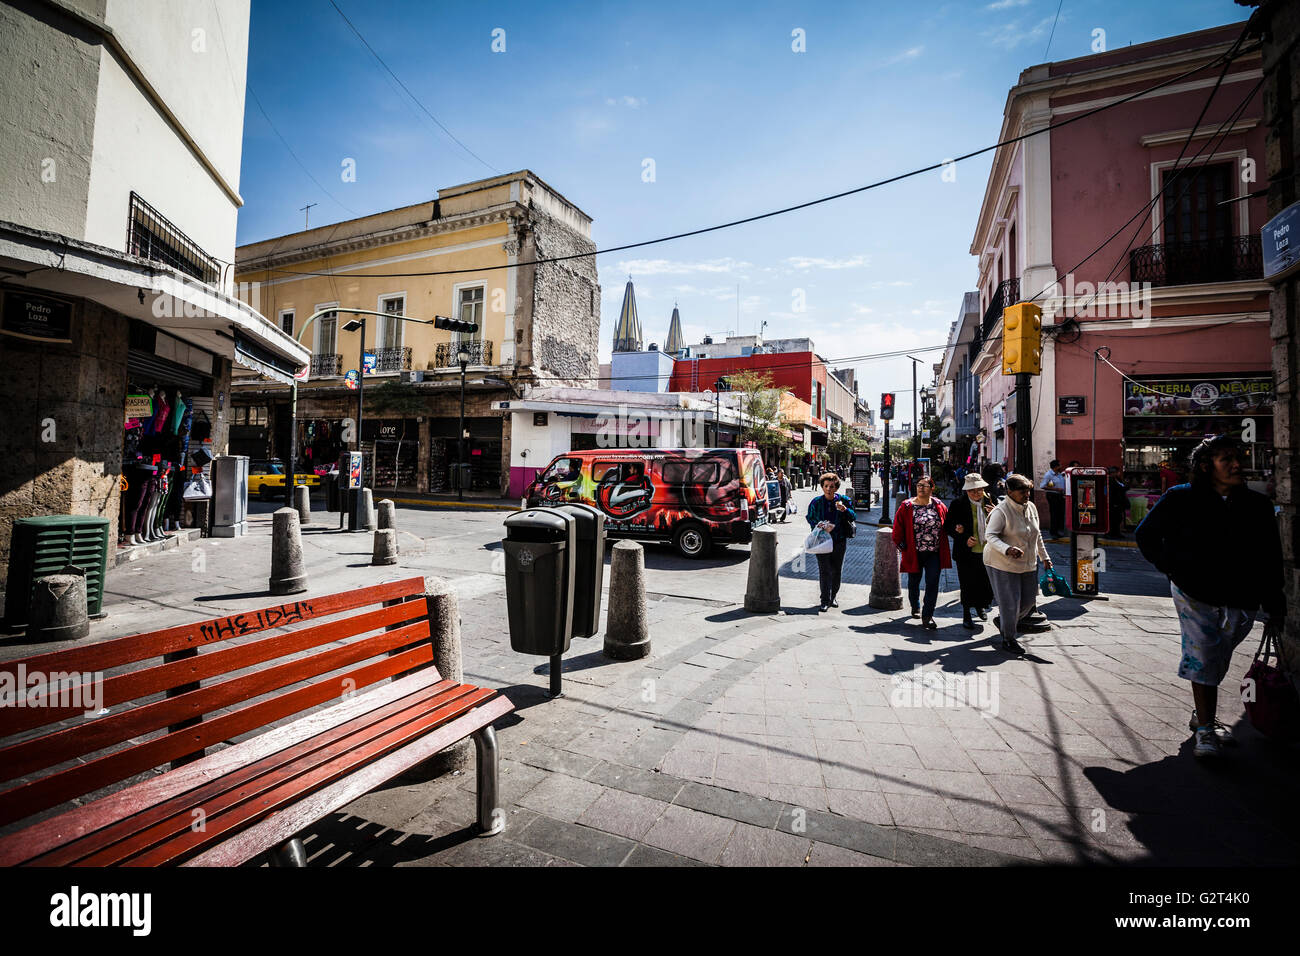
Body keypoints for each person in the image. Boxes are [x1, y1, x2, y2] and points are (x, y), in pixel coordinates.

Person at [1134, 435, 1285, 759]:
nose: (1235, 464)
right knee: (1202, 657)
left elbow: (1270, 557)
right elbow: (1145, 534)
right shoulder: (1180, 498)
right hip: (1194, 593)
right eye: (1225, 459)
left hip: (1242, 599)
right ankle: (1205, 730)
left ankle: (1202, 711)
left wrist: (1275, 605)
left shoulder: (1256, 506)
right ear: (1206, 466)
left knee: (1215, 658)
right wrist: (1171, 568)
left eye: (1237, 457)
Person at [983, 473, 1052, 655]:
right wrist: (1007, 549)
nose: (1026, 495)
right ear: (1010, 492)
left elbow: (1037, 535)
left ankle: (1006, 620)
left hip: (1028, 563)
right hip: (1002, 563)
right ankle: (1008, 638)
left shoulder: (1031, 508)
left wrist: (1044, 557)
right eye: (1022, 492)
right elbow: (990, 536)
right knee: (1010, 603)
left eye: (1028, 491)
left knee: (1029, 601)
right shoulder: (1001, 511)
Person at [891, 474, 951, 630]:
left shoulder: (939, 505)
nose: (921, 488)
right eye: (919, 485)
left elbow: (948, 524)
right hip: (914, 552)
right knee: (914, 582)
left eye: (925, 485)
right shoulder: (906, 506)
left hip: (934, 552)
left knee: (932, 583)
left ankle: (927, 615)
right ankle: (915, 605)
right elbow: (897, 528)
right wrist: (901, 544)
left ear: (932, 488)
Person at [943, 473, 995, 629]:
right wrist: (963, 537)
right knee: (967, 584)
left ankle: (980, 607)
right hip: (966, 553)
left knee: (984, 582)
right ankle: (966, 613)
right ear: (966, 491)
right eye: (972, 490)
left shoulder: (990, 501)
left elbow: (1001, 523)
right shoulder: (958, 504)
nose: (976, 493)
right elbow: (948, 527)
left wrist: (995, 513)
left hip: (987, 552)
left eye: (979, 489)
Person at [806, 472, 855, 611]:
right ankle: (824, 600)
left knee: (836, 570)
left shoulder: (844, 500)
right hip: (821, 541)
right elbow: (810, 517)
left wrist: (845, 510)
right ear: (822, 486)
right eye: (826, 486)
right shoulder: (816, 502)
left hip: (839, 540)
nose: (829, 489)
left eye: (832, 486)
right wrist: (819, 525)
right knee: (824, 570)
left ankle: (833, 596)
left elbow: (853, 516)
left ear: (836, 487)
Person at [1039, 459, 1067, 538]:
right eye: (1059, 465)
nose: (1061, 466)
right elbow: (1042, 486)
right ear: (1056, 467)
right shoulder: (1049, 475)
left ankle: (1058, 531)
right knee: (1054, 514)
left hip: (1060, 496)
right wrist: (1056, 489)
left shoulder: (1059, 474)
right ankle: (1053, 532)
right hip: (1053, 496)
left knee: (1060, 514)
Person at [1107, 465, 1129, 537]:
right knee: (1114, 519)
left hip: (1119, 502)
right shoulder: (1110, 480)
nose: (1119, 473)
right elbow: (1120, 488)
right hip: (1114, 502)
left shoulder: (1118, 479)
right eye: (1117, 472)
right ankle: (1111, 533)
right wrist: (1127, 485)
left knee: (1118, 518)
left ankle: (1116, 532)